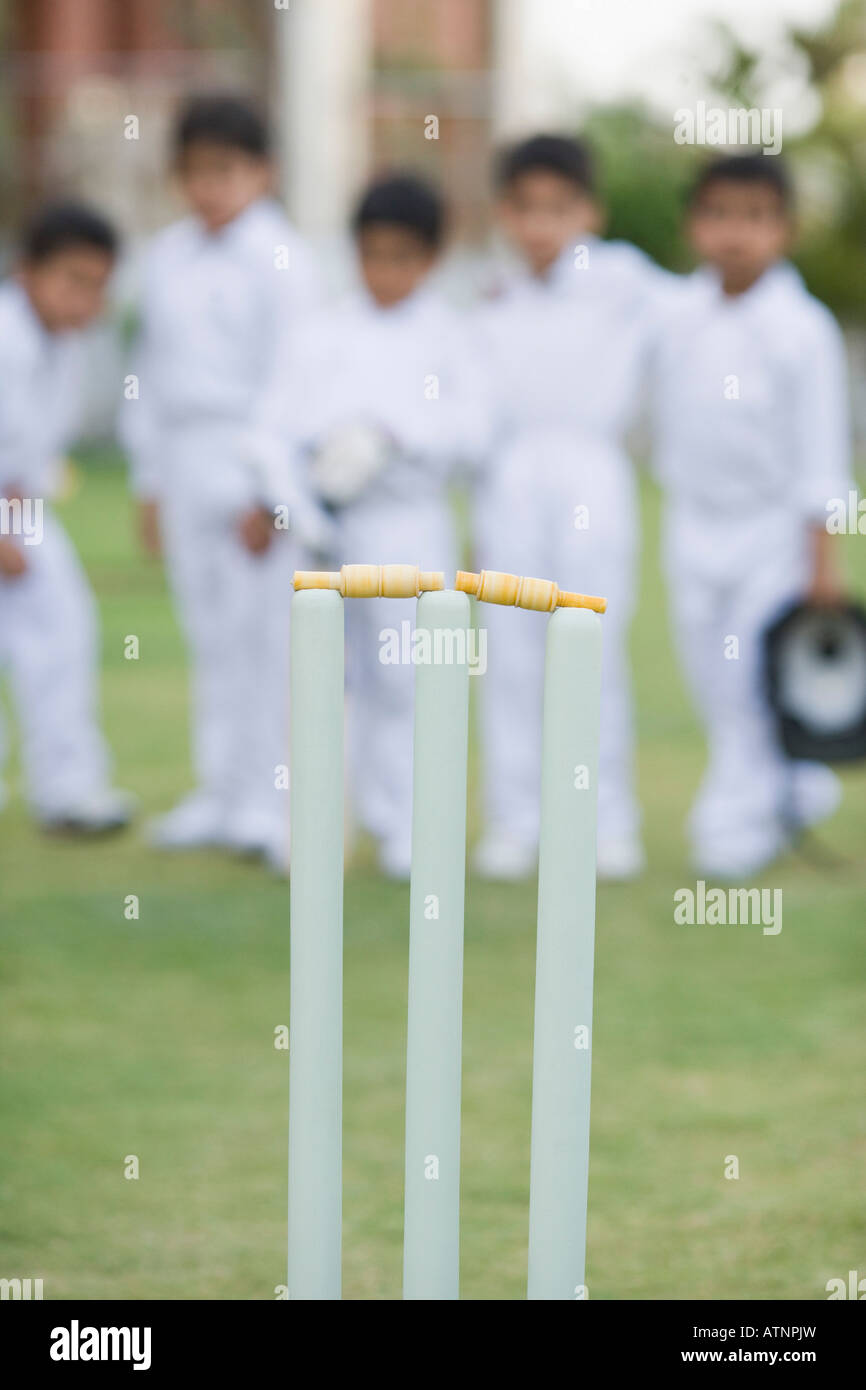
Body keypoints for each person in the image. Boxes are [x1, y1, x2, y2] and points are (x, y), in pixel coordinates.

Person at [120, 94, 325, 873]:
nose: (209, 187)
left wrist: (273, 490)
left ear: (262, 172)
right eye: (195, 172)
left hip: (252, 456)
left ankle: (272, 806)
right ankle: (220, 791)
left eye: (225, 171)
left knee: (266, 640)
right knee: (208, 636)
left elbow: (295, 378)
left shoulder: (283, 258)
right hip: (182, 451)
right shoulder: (166, 256)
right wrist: (149, 482)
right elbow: (148, 371)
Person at [651, 154, 851, 877]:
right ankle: (798, 785)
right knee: (708, 673)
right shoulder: (675, 315)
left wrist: (820, 564)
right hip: (691, 524)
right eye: (721, 215)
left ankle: (732, 831)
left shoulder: (803, 329)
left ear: (784, 229)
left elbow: (821, 454)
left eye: (755, 218)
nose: (736, 234)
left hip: (769, 534)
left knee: (746, 682)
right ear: (695, 225)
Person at [472, 134, 663, 881]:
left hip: (592, 471)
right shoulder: (493, 294)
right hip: (511, 476)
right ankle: (515, 822)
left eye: (559, 209)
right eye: (526, 209)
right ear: (503, 213)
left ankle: (603, 819)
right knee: (512, 655)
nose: (541, 226)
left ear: (590, 211)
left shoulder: (626, 281)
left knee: (590, 645)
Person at [286, 174, 488, 877]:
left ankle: (408, 827)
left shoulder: (451, 335)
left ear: (431, 259)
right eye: (372, 255)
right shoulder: (323, 330)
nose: (384, 272)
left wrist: (393, 436)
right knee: (325, 681)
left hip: (411, 525)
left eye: (401, 257)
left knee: (409, 679)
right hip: (330, 530)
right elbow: (278, 424)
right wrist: (310, 497)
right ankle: (317, 828)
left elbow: (476, 429)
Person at [0, 203, 133, 832]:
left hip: (21, 504)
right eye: (73, 281)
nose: (86, 301)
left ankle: (69, 788)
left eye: (97, 286)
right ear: (29, 271)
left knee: (62, 634)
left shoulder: (63, 344)